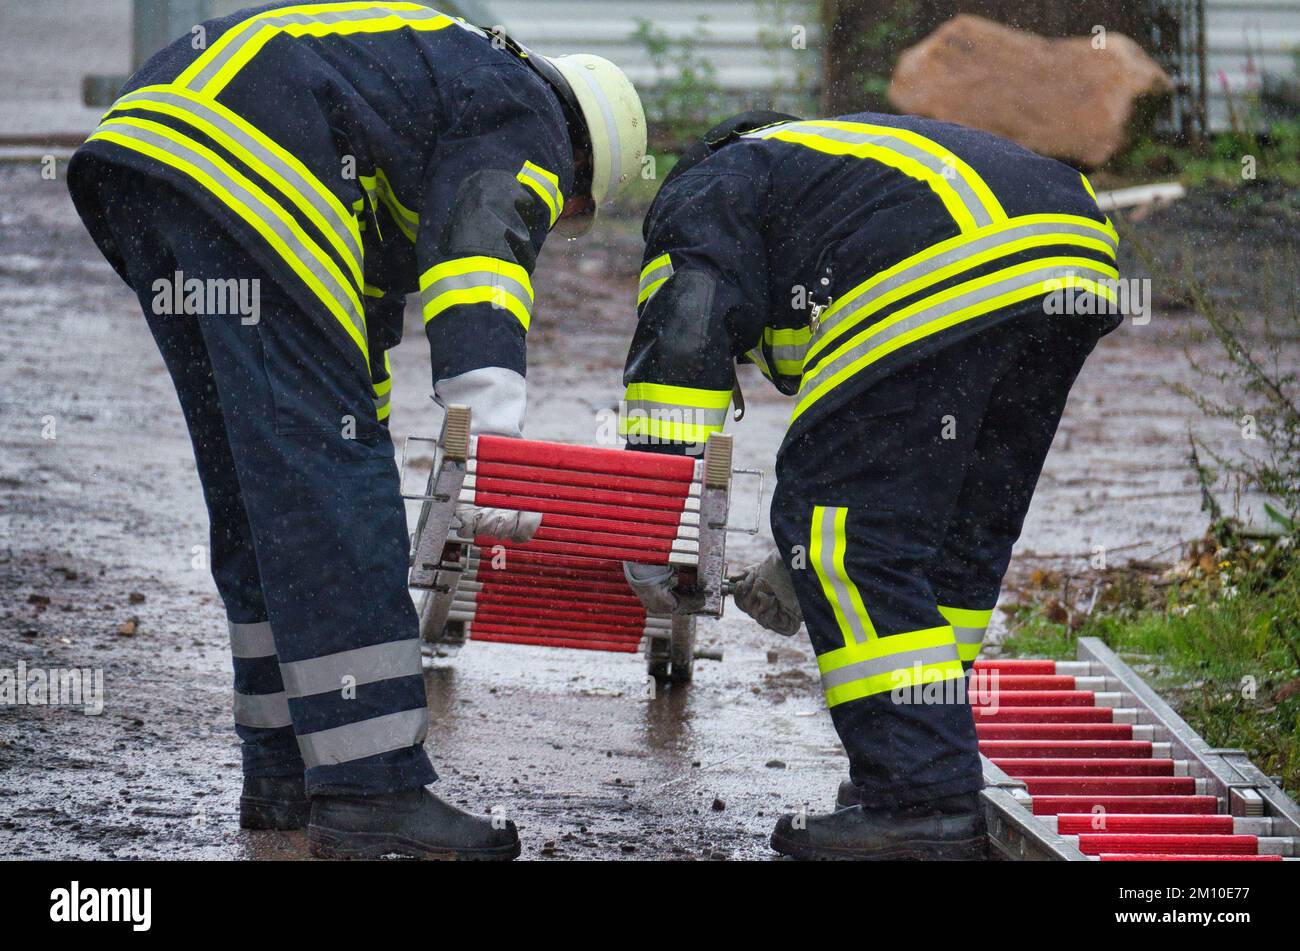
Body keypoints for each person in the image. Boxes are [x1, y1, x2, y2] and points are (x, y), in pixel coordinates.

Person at [67, 2, 646, 860]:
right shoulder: (525, 110)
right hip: (249, 149)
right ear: (581, 161)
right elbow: (484, 244)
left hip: (151, 155)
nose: (550, 225)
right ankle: (372, 791)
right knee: (334, 491)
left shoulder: (427, 101)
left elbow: (353, 329)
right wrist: (496, 446)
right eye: (563, 209)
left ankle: (282, 768)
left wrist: (358, 434)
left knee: (260, 481)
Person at [619, 110, 1121, 859]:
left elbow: (686, 329)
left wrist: (651, 517)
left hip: (952, 256)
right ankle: (922, 762)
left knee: (838, 529)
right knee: (952, 531)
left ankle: (918, 799)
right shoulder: (830, 172)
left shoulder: (705, 186)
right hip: (1076, 252)